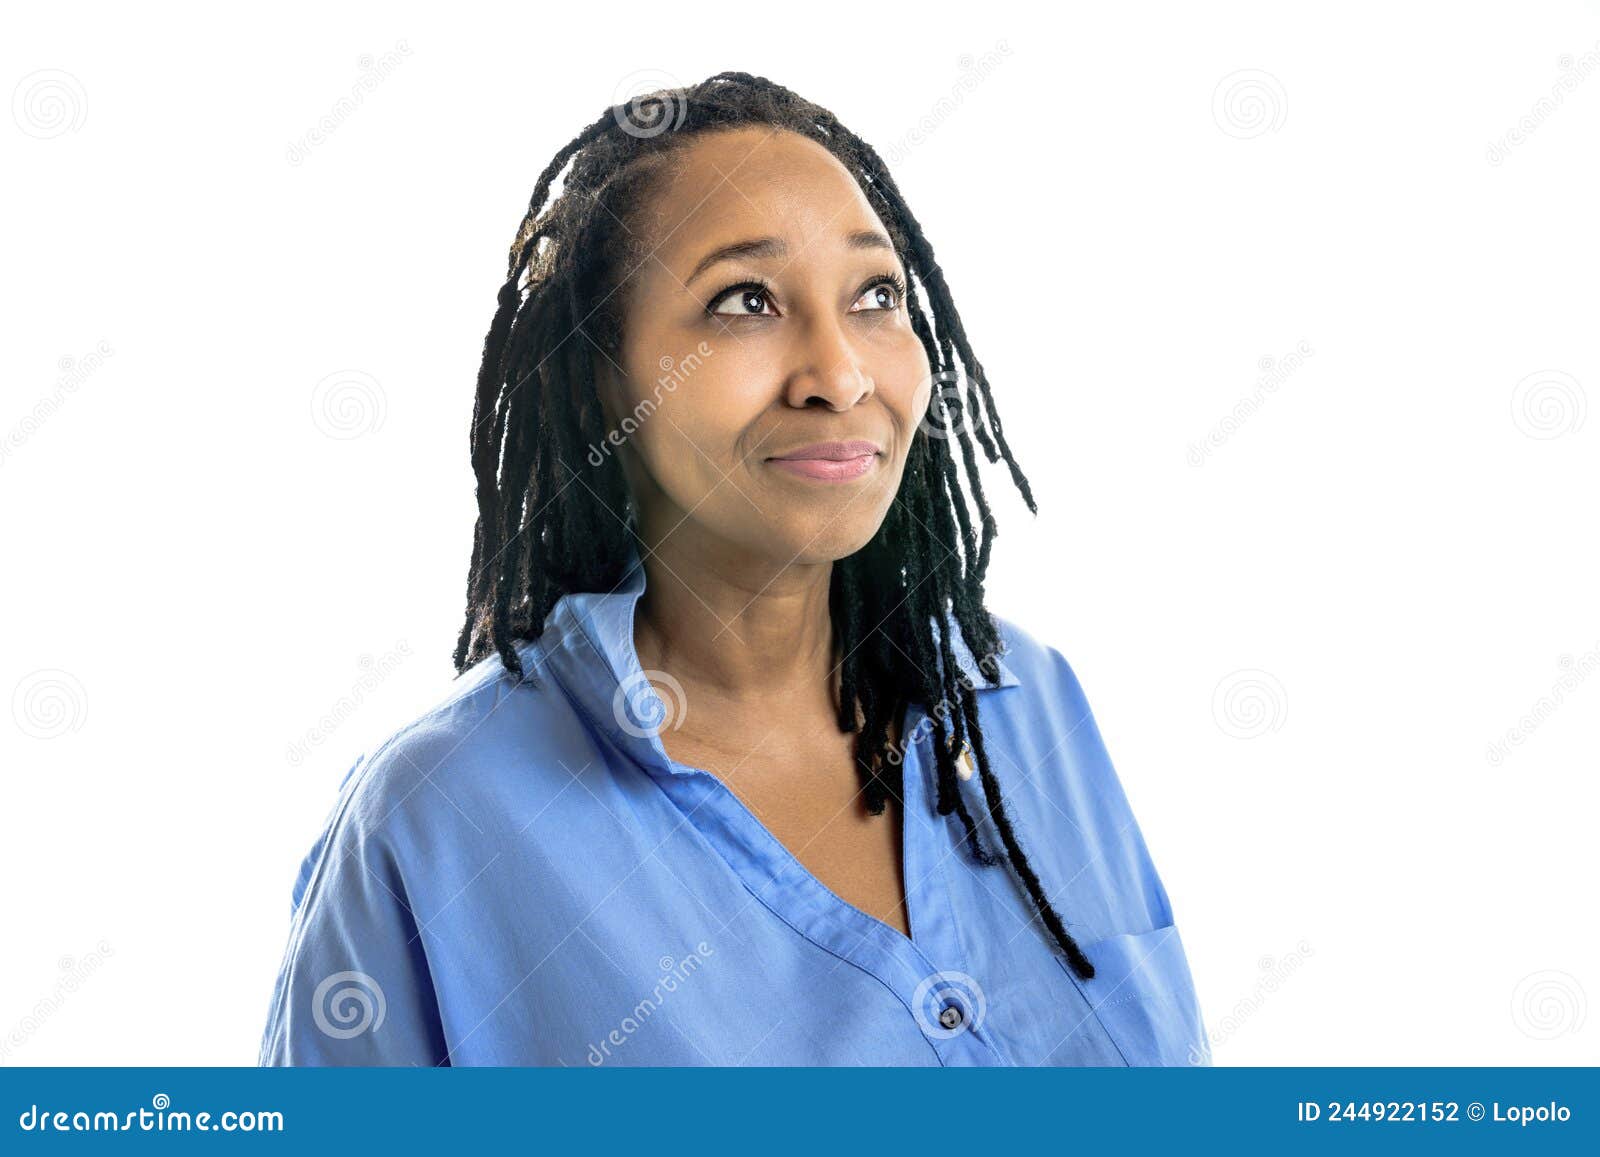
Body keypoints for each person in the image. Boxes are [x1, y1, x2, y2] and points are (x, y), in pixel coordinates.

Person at [258, 71, 1209, 1067]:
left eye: (875, 295)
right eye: (745, 301)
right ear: (599, 376)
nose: (840, 375)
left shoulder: (1025, 700)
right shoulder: (444, 816)